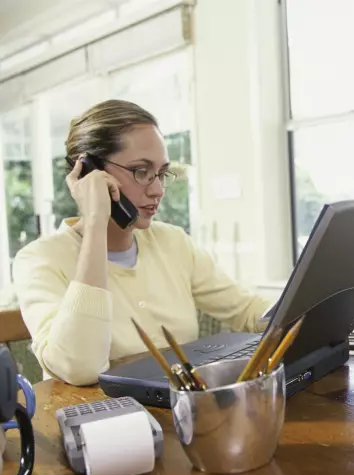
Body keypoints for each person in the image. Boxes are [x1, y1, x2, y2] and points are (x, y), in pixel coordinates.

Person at [13, 99, 271, 386]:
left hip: (179, 411)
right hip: (101, 421)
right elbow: (80, 368)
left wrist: (309, 312)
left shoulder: (172, 242)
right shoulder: (39, 260)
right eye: (141, 171)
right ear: (89, 172)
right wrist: (96, 222)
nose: (158, 190)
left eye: (161, 173)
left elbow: (246, 310)